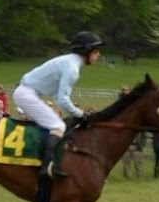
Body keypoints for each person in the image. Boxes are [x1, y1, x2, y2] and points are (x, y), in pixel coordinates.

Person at [13, 30, 103, 178]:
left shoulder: (69, 61)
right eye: (96, 51)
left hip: (27, 93)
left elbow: (57, 95)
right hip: (27, 94)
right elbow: (62, 99)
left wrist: (73, 109)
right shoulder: (72, 69)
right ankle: (46, 166)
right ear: (86, 51)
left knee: (55, 124)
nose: (98, 55)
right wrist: (80, 113)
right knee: (58, 126)